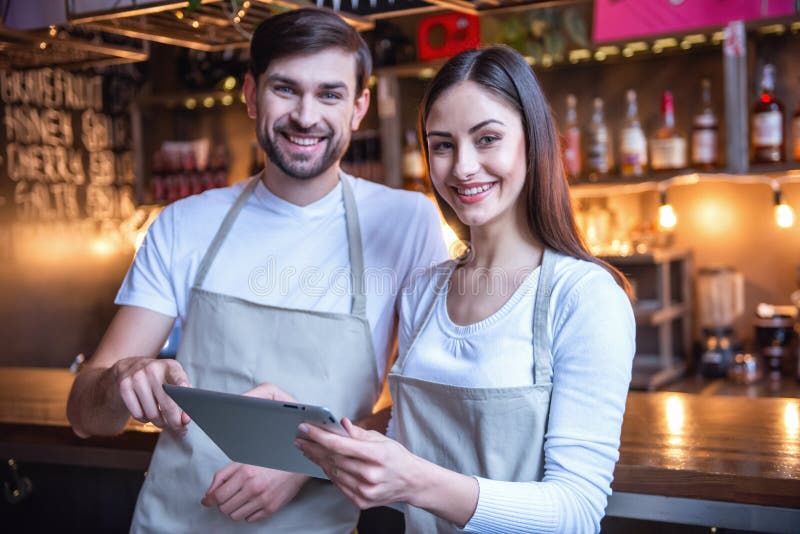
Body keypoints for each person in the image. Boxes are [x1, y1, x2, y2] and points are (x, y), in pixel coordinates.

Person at [66, 8, 446, 533]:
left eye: (330, 94)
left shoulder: (405, 221)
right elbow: (86, 416)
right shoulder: (182, 223)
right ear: (251, 94)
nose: (306, 115)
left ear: (359, 107)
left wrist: (310, 460)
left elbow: (423, 411)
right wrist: (120, 382)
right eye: (285, 89)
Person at [294, 45, 636, 533]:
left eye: (487, 138)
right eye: (443, 145)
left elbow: (576, 511)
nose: (463, 168)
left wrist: (414, 482)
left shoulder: (583, 297)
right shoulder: (423, 293)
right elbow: (409, 433)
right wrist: (296, 429)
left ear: (532, 142)